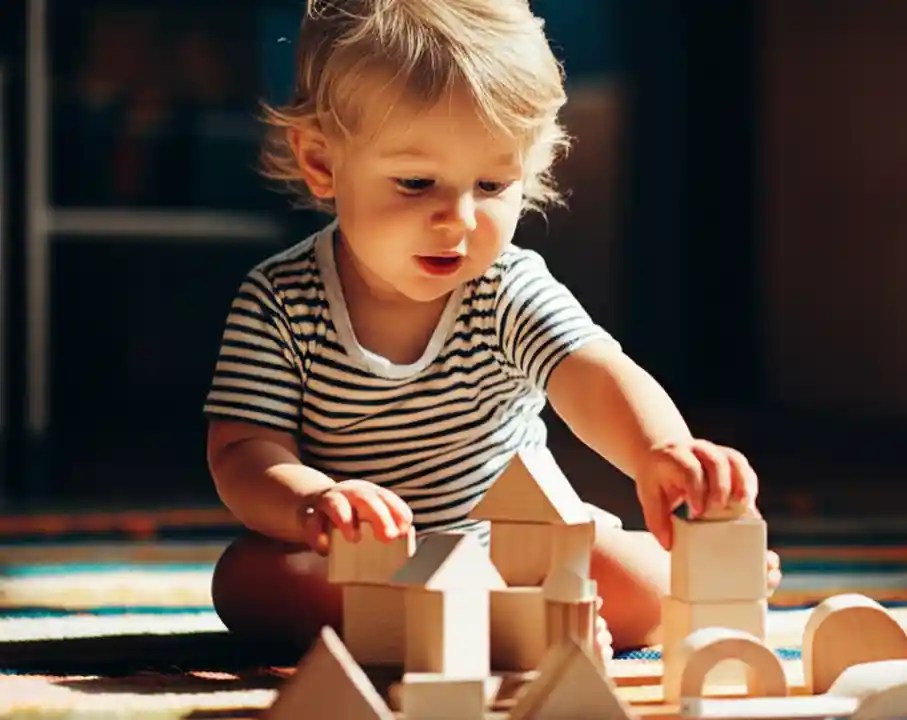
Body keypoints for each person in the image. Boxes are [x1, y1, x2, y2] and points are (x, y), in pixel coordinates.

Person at [203, 0, 781, 656]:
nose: (460, 218)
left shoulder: (505, 286)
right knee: (246, 582)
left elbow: (592, 375)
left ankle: (528, 617)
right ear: (322, 163)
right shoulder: (280, 299)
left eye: (492, 183)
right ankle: (498, 628)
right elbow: (243, 450)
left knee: (645, 578)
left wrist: (660, 452)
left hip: (516, 553)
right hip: (372, 565)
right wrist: (314, 504)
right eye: (417, 183)